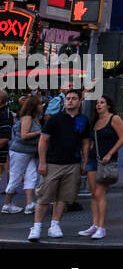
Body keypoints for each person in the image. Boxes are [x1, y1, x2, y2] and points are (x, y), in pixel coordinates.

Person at [29, 90, 89, 241]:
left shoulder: (83, 120)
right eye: (68, 99)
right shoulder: (55, 119)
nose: (70, 101)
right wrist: (42, 162)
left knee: (63, 197)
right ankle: (36, 227)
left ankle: (55, 224)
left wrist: (85, 161)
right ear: (64, 101)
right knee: (44, 196)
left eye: (74, 99)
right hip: (53, 163)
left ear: (79, 101)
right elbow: (43, 140)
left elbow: (85, 142)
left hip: (73, 163)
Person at [80, 96, 123, 240]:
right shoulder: (95, 121)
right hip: (94, 159)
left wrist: (110, 153)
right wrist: (86, 160)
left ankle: (101, 227)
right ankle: (95, 224)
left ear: (108, 105)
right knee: (94, 194)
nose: (99, 105)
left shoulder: (114, 119)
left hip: (106, 160)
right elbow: (90, 142)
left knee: (100, 193)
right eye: (97, 103)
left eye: (102, 103)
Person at [3, 94, 41, 215]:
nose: (42, 106)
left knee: (32, 176)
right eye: (39, 104)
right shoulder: (27, 118)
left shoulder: (34, 117)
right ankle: (7, 204)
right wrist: (39, 132)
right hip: (20, 151)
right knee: (16, 177)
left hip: (28, 152)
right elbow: (24, 135)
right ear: (34, 106)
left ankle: (30, 203)